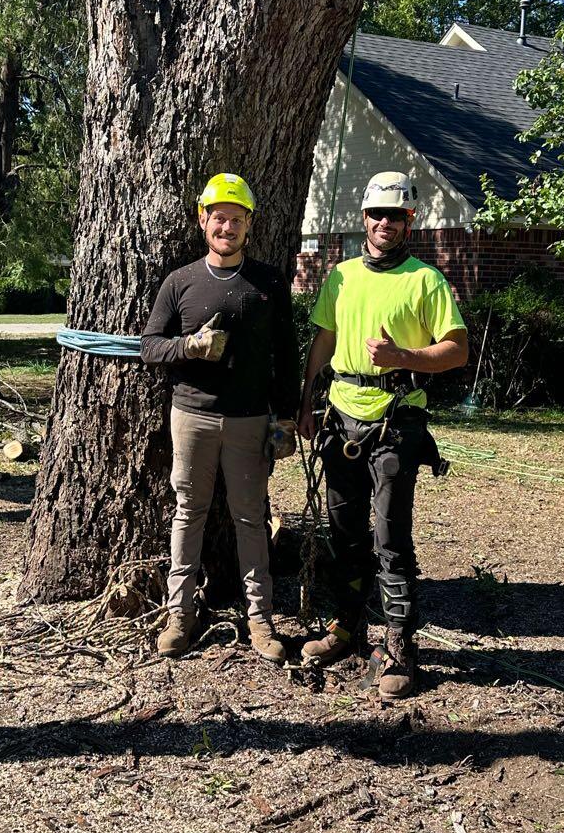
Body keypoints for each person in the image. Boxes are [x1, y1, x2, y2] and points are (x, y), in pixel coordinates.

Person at [296, 172, 468, 699]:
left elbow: (457, 349)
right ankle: (346, 627)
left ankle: (400, 650)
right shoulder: (341, 276)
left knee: (390, 538)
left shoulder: (425, 281)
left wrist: (402, 358)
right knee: (344, 532)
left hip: (397, 420)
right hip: (341, 415)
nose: (383, 223)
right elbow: (324, 340)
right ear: (363, 218)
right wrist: (306, 401)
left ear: (408, 221)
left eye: (395, 216)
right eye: (376, 214)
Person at [141, 173, 300, 664]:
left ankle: (260, 619)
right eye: (218, 217)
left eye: (236, 219)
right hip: (192, 417)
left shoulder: (269, 283)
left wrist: (287, 418)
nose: (226, 226)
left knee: (251, 519)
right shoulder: (181, 281)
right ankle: (179, 615)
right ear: (202, 219)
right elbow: (149, 346)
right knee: (189, 514)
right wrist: (190, 346)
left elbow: (286, 356)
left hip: (252, 421)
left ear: (249, 225)